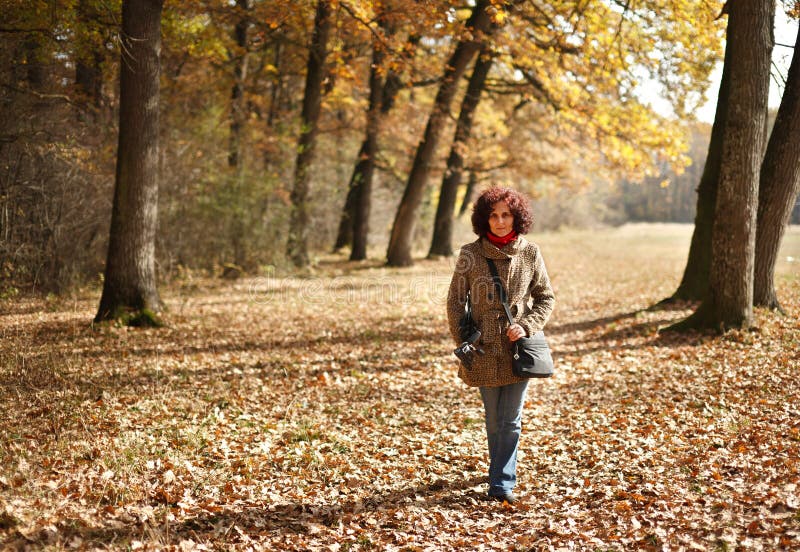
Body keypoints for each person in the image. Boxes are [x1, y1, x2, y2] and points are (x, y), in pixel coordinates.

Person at [446, 186, 555, 504]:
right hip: (482, 350)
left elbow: (545, 297)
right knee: (494, 418)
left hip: (517, 349)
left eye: (506, 214)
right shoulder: (470, 254)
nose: (500, 221)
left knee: (510, 419)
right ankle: (499, 469)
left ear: (516, 217)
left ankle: (501, 483)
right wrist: (464, 341)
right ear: (484, 219)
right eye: (493, 215)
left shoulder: (530, 252)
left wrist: (527, 326)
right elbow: (455, 301)